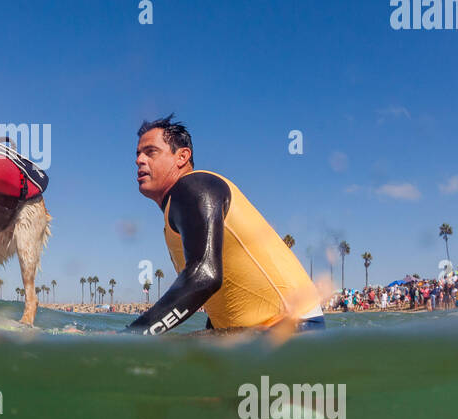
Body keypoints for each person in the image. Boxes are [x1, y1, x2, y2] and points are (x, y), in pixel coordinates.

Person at [126, 116, 323, 336]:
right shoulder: (176, 208)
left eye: (150, 152)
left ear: (182, 157)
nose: (139, 160)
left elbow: (204, 276)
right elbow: (223, 289)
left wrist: (133, 336)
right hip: (267, 331)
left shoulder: (193, 187)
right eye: (138, 154)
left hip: (290, 327)